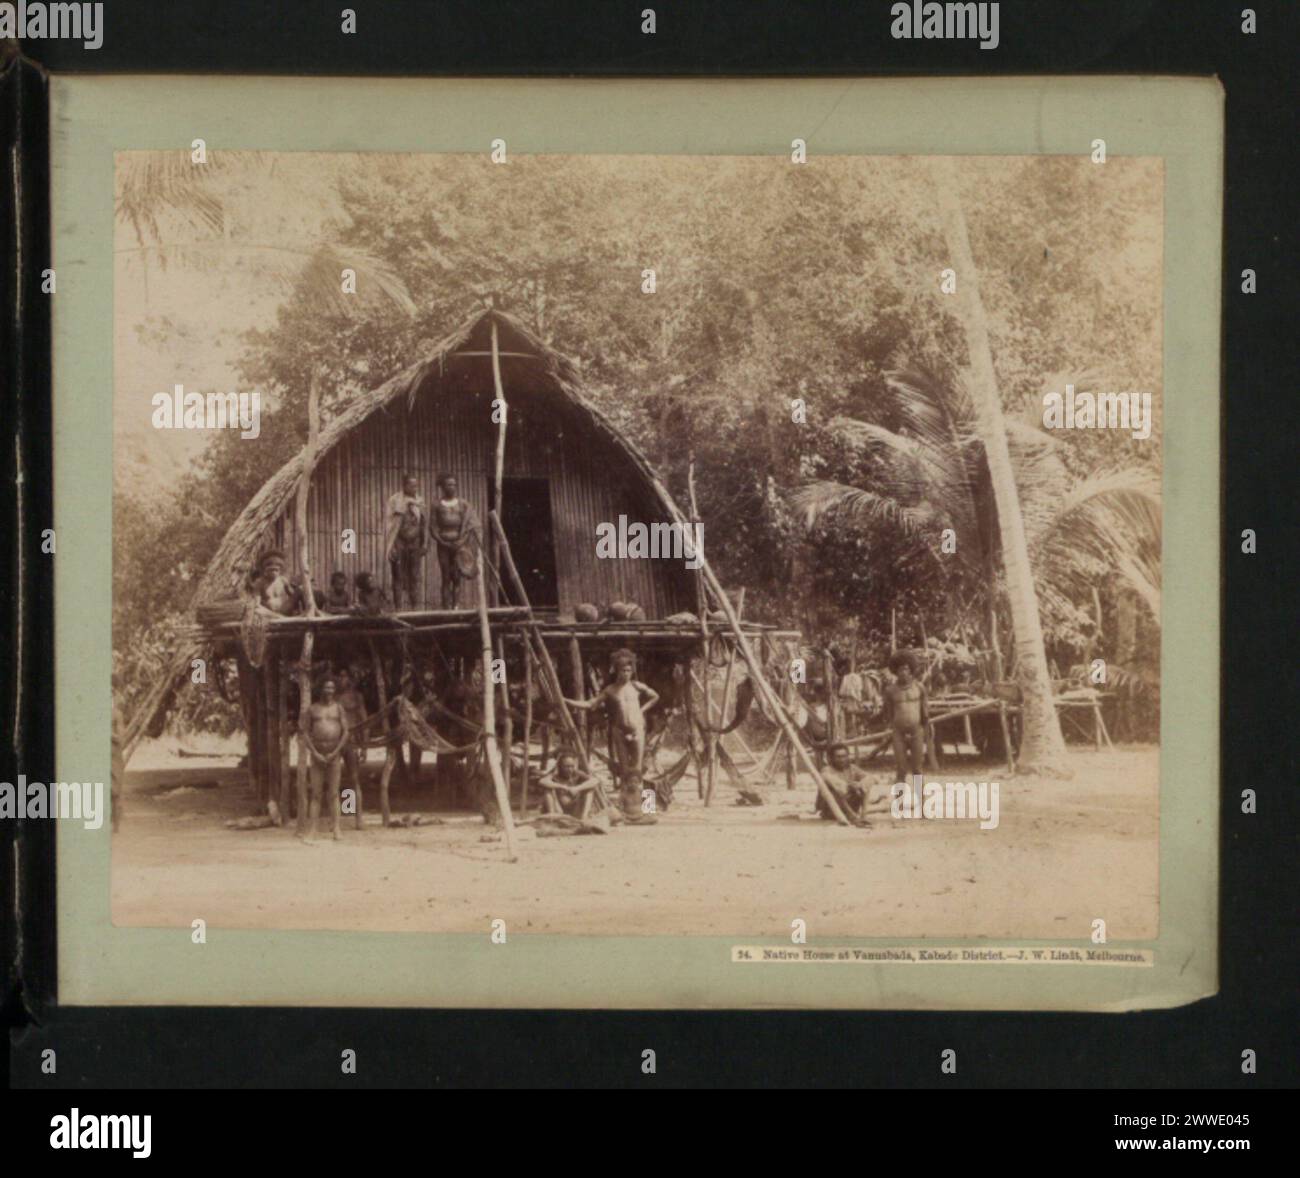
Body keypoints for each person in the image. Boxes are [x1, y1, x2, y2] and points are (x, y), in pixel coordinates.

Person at [564, 649, 659, 799]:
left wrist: (642, 710)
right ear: (617, 670)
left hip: (638, 731)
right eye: (623, 670)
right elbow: (590, 704)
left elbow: (655, 696)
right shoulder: (610, 690)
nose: (626, 673)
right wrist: (568, 701)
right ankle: (627, 805)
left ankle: (647, 808)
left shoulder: (636, 686)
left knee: (638, 769)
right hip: (619, 732)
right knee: (624, 769)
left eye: (628, 670)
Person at [299, 676, 348, 842]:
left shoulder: (339, 709)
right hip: (317, 756)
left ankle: (337, 829)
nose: (329, 691)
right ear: (321, 690)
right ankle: (312, 831)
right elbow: (305, 733)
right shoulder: (312, 709)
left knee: (334, 793)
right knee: (316, 794)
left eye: (332, 688)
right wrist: (315, 753)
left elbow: (346, 732)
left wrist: (335, 752)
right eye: (326, 687)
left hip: (335, 756)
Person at [884, 651, 928, 805]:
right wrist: (894, 729)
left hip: (917, 731)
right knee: (901, 768)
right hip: (898, 733)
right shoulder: (890, 691)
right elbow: (889, 714)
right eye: (900, 670)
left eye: (906, 669)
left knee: (917, 769)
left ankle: (922, 803)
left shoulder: (920, 688)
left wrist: (927, 733)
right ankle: (899, 803)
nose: (903, 673)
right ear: (895, 672)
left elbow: (924, 713)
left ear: (911, 670)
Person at [431, 474, 478, 609]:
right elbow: (432, 527)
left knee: (457, 577)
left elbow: (469, 526)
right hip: (443, 546)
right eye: (448, 484)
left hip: (459, 545)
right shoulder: (436, 504)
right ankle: (446, 609)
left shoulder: (463, 504)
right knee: (446, 577)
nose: (451, 487)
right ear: (442, 487)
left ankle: (455, 607)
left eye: (454, 484)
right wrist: (441, 541)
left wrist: (461, 541)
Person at [384, 474, 428, 610]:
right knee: (398, 575)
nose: (415, 488)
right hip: (399, 542)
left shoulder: (419, 501)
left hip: (414, 543)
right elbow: (389, 524)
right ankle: (399, 608)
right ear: (404, 485)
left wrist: (425, 543)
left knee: (415, 575)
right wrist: (391, 546)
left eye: (416, 485)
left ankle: (415, 608)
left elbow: (424, 524)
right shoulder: (394, 500)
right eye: (412, 485)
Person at [336, 668, 369, 820]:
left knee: (354, 778)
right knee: (335, 778)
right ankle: (344, 812)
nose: (343, 680)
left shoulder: (357, 697)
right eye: (341, 676)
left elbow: (364, 721)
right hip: (335, 742)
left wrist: (364, 747)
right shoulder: (333, 698)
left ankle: (357, 817)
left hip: (352, 741)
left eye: (345, 676)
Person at [537, 750, 596, 818]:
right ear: (560, 766)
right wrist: (562, 787)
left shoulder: (577, 773)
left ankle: (584, 817)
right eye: (566, 766)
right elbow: (542, 781)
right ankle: (553, 816)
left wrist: (577, 788)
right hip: (559, 809)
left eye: (572, 766)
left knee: (590, 790)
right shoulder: (555, 774)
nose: (570, 769)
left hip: (575, 809)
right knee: (548, 789)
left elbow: (595, 780)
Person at [249, 550, 299, 616]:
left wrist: (296, 608)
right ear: (265, 570)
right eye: (271, 570)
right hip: (269, 612)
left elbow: (292, 596)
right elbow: (257, 603)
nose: (273, 572)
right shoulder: (260, 582)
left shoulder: (283, 580)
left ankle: (283, 616)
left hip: (286, 608)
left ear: (280, 570)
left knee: (300, 590)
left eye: (276, 570)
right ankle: (280, 617)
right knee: (257, 610)